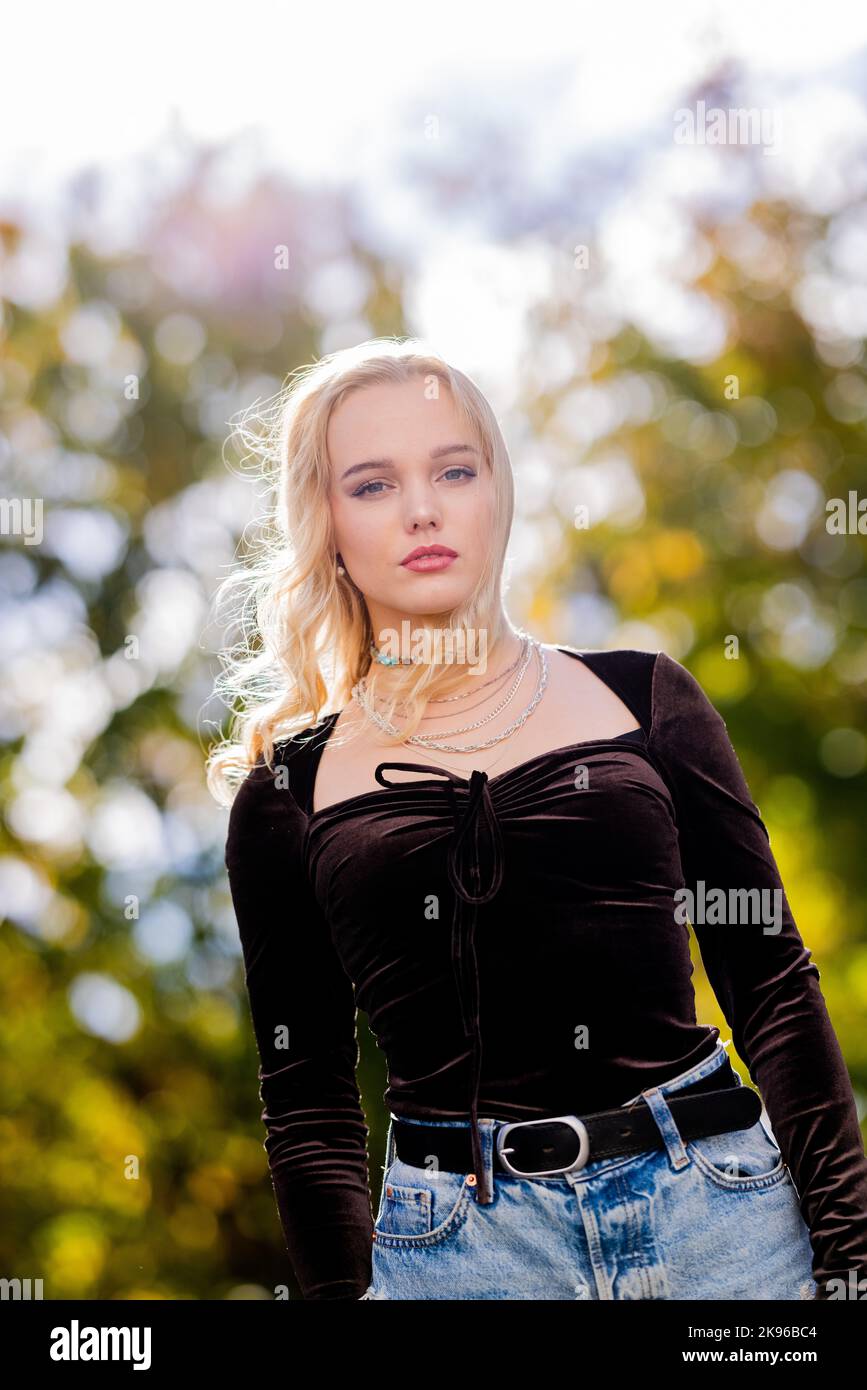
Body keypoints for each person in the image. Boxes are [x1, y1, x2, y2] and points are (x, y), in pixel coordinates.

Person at [209, 337, 867, 1300]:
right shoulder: (285, 796)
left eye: (453, 470)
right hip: (462, 1258)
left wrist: (851, 1262)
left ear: (496, 492)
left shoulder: (645, 700)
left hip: (726, 1229)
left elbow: (771, 987)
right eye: (373, 485)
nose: (423, 509)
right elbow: (308, 1104)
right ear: (327, 522)